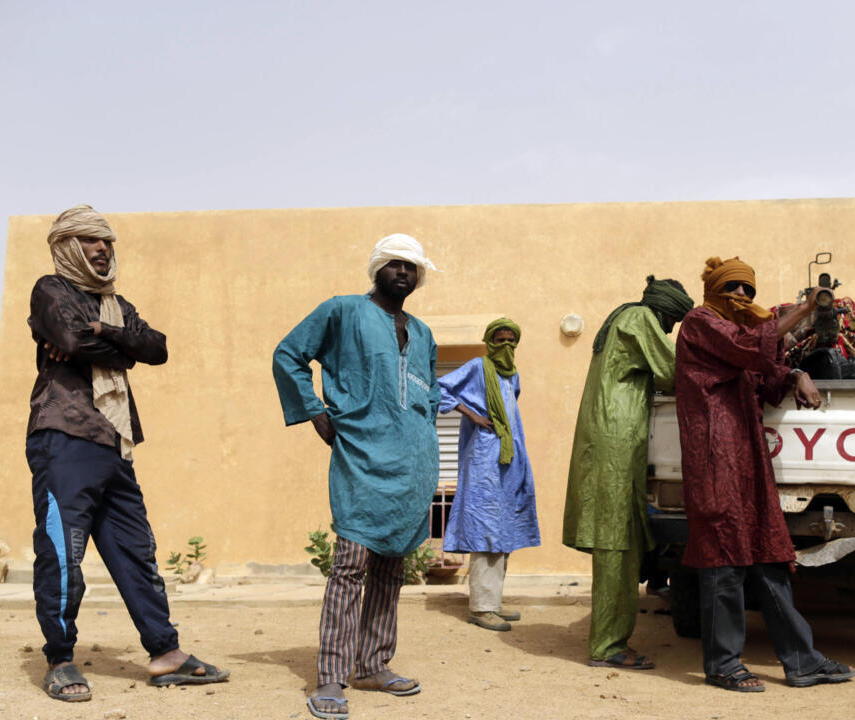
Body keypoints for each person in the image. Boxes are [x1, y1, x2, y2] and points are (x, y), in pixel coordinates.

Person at [26, 205, 229, 702]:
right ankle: (60, 660)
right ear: (68, 247)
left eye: (108, 243)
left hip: (115, 443)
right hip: (64, 435)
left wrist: (106, 333)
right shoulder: (50, 290)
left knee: (137, 553)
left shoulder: (115, 304)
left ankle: (166, 654)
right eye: (91, 242)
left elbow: (156, 347)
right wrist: (115, 346)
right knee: (63, 552)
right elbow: (70, 337)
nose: (102, 250)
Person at [273, 234, 441, 720]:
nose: (403, 273)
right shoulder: (342, 311)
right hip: (362, 457)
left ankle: (373, 664)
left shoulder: (424, 332)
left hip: (413, 464)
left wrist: (425, 430)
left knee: (391, 570)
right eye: (394, 264)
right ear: (377, 269)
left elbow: (428, 390)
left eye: (411, 266)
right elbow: (289, 355)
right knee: (350, 565)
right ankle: (331, 675)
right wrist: (315, 412)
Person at [675, 256, 855, 692]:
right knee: (723, 557)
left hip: (749, 460)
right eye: (733, 289)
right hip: (715, 456)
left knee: (768, 556)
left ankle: (802, 661)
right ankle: (722, 664)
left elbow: (766, 376)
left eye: (748, 291)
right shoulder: (700, 323)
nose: (741, 297)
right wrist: (804, 309)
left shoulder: (745, 336)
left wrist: (795, 373)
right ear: (714, 291)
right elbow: (747, 348)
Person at [562, 275, 694, 670]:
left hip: (616, 439)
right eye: (674, 319)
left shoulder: (627, 316)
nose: (671, 327)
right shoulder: (640, 319)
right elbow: (673, 371)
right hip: (615, 441)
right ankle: (607, 645)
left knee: (623, 540)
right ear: (666, 311)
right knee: (615, 542)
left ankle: (612, 638)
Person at [437, 317, 540, 632]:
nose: (506, 345)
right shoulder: (476, 367)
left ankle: (492, 602)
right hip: (483, 460)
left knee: (504, 528)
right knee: (486, 529)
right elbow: (440, 389)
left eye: (512, 340)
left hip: (509, 460)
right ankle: (481, 609)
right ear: (489, 341)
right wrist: (473, 415)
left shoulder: (512, 376)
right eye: (500, 339)